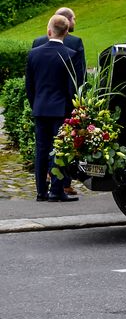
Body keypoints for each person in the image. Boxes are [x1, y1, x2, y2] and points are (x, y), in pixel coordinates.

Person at [25, 15, 82, 202]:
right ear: (66, 32)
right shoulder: (70, 55)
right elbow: (72, 88)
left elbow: (30, 86)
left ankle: (41, 191)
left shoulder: (34, 54)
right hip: (61, 110)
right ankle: (56, 190)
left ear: (49, 31)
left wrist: (36, 105)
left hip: (40, 108)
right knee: (60, 149)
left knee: (41, 150)